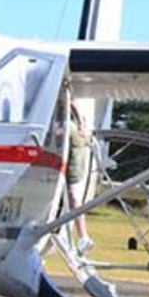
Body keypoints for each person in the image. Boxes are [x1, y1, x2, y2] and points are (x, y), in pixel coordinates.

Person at [65, 103, 94, 255]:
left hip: (73, 152)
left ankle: (83, 237)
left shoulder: (72, 129)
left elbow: (73, 104)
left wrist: (80, 125)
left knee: (73, 195)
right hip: (70, 149)